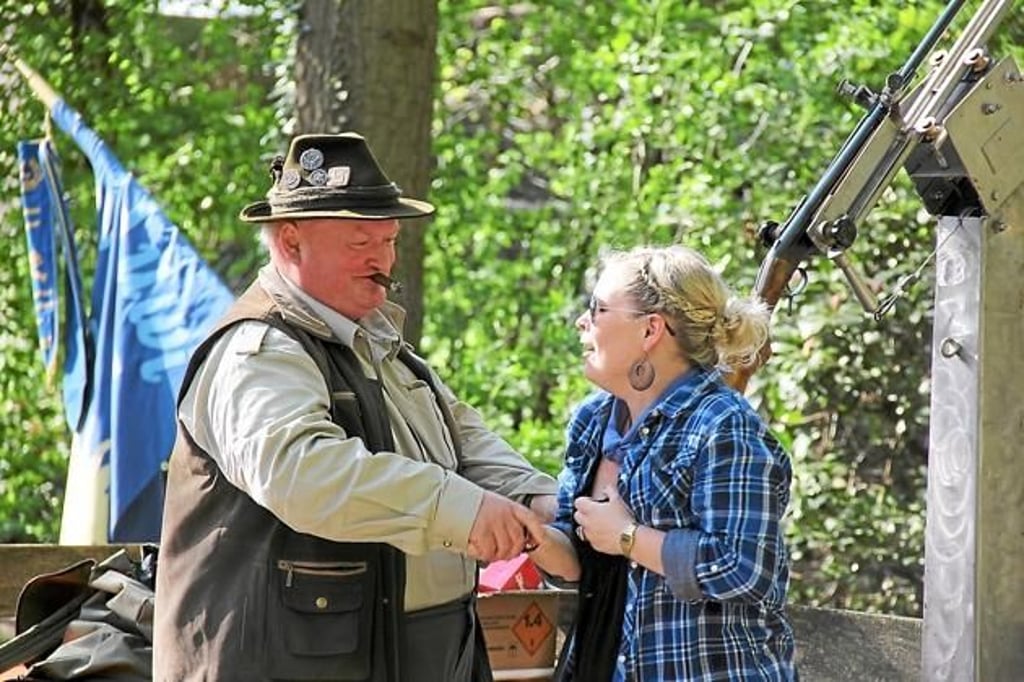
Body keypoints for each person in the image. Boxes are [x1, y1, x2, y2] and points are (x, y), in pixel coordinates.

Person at [153, 132, 557, 682]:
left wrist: (538, 497)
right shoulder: (260, 349)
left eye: (388, 240)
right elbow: (303, 474)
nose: (384, 259)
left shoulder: (375, 342)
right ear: (291, 243)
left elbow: (460, 438)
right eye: (360, 242)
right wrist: (462, 510)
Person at [528, 245, 797, 681]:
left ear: (651, 330)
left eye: (597, 309)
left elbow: (747, 569)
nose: (582, 322)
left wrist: (629, 537)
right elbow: (581, 558)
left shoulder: (724, 427)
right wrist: (531, 535)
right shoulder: (592, 420)